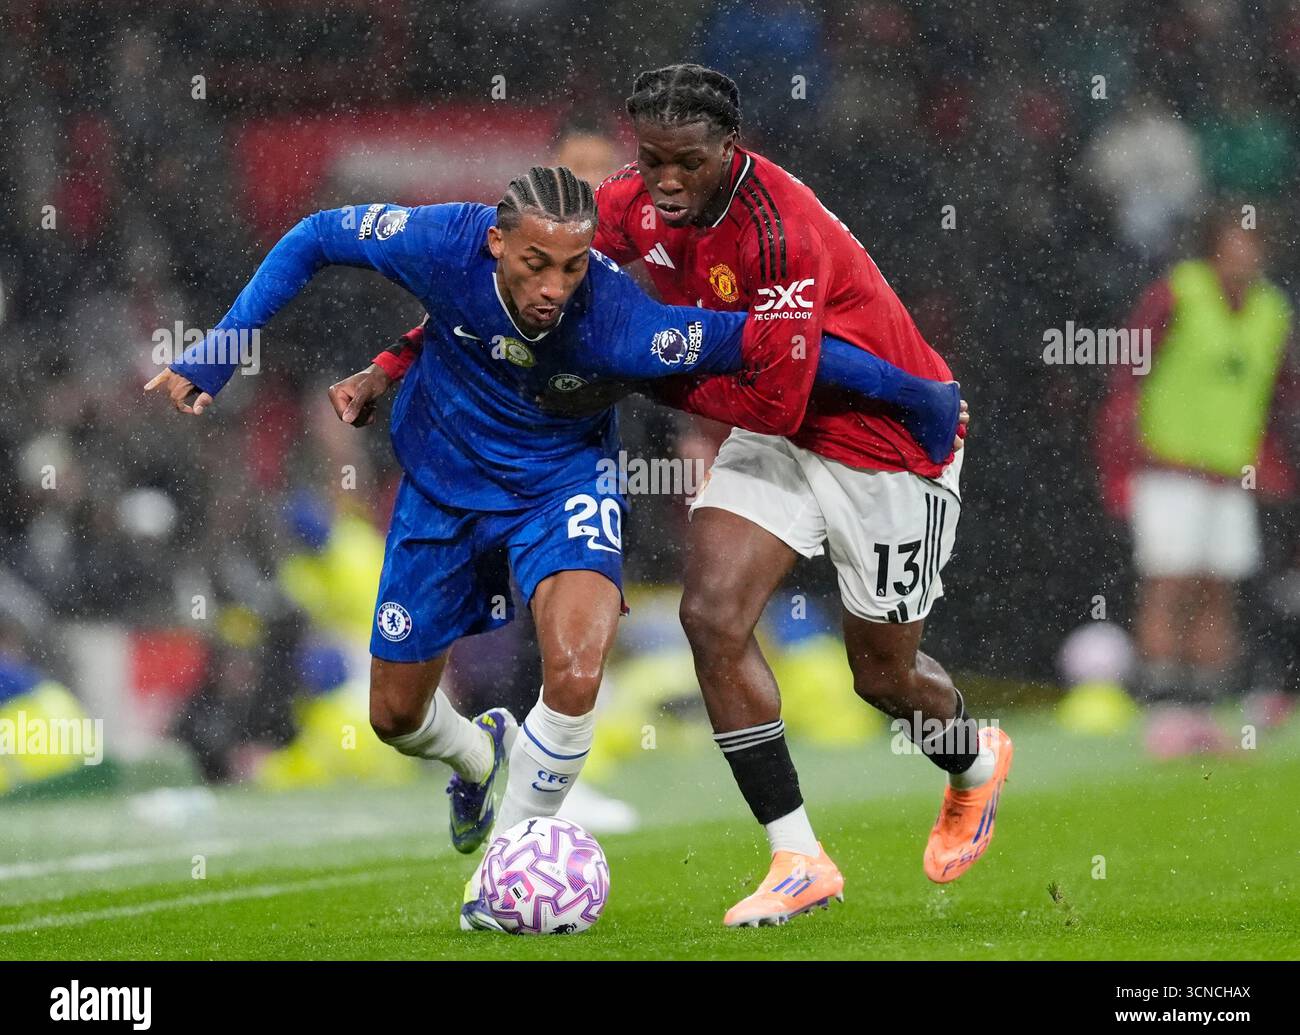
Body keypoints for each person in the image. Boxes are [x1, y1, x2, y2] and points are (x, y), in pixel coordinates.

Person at [145, 165, 964, 931]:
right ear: (498, 243)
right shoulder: (442, 242)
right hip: (440, 490)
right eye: (537, 265)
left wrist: (919, 392)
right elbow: (317, 235)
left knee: (575, 670)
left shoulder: (619, 322)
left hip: (562, 487)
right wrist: (219, 355)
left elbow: (774, 345)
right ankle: (480, 753)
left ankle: (506, 864)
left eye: (572, 267)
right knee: (395, 718)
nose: (554, 288)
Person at [348, 64, 1010, 928]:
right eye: (652, 159)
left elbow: (773, 393)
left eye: (686, 163)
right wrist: (399, 358)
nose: (665, 182)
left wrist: (643, 375)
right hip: (782, 438)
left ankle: (971, 760)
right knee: (711, 618)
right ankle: (797, 855)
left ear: (729, 149)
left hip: (882, 445)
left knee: (881, 677)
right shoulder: (638, 200)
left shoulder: (779, 236)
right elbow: (514, 291)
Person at [1099, 210, 1294, 757]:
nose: (1247, 256)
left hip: (1231, 473)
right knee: (1170, 585)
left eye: (1255, 245)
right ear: (1214, 248)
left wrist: (1271, 463)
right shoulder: (1177, 295)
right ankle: (1165, 713)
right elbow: (1127, 377)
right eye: (1237, 244)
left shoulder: (1272, 312)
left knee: (1218, 590)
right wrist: (1119, 463)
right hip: (1168, 469)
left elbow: (1280, 397)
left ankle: (1205, 713)